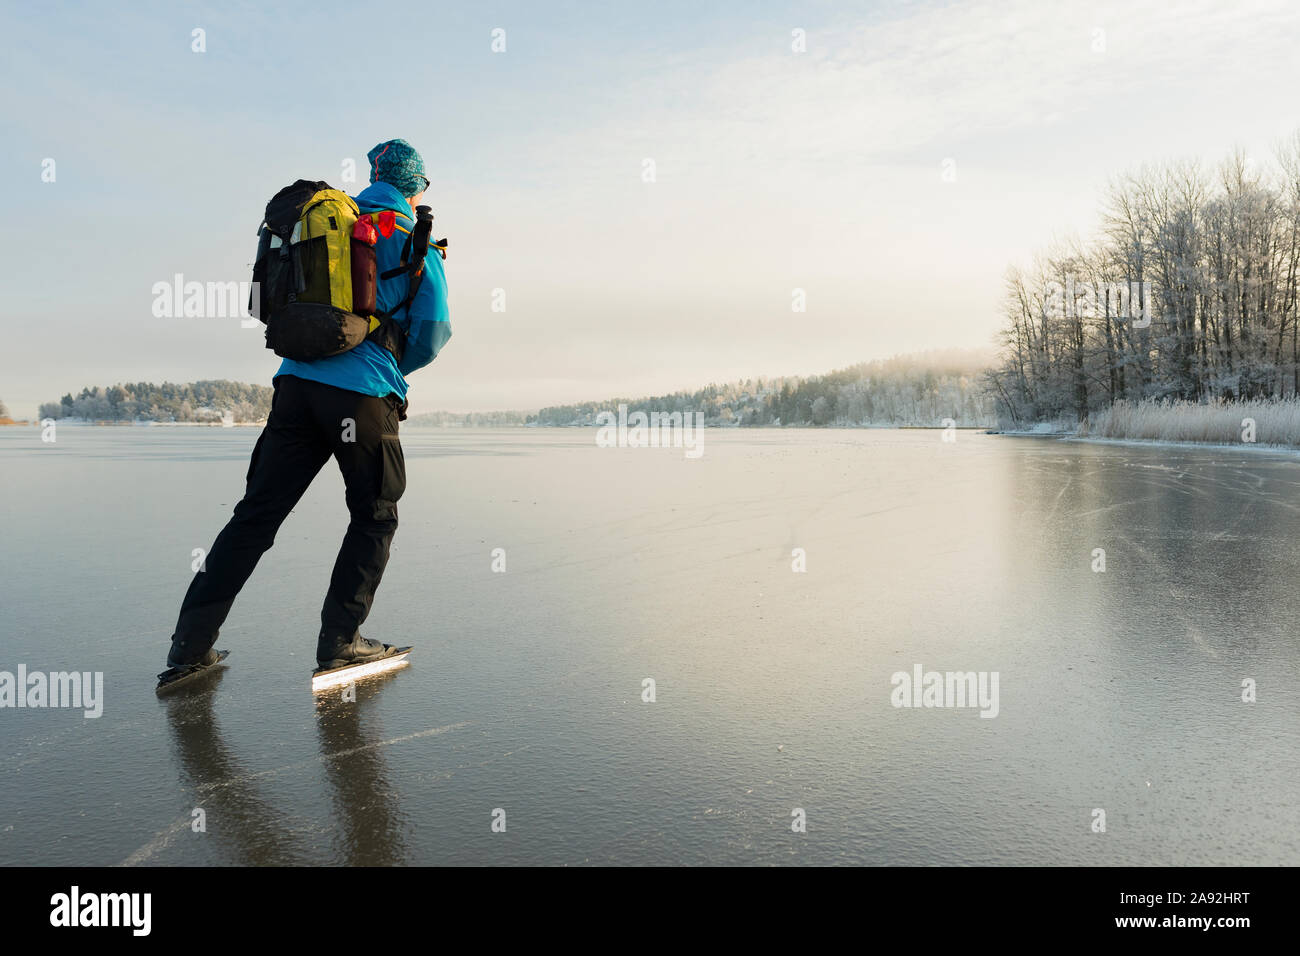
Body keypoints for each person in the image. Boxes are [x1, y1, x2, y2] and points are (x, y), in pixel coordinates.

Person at [163, 138, 451, 675]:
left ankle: (189, 647)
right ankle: (340, 641)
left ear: (373, 175)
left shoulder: (318, 226)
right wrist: (389, 371)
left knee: (255, 517)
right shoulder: (409, 236)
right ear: (415, 186)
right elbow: (434, 334)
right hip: (363, 396)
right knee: (374, 516)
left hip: (294, 388)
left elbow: (265, 302)